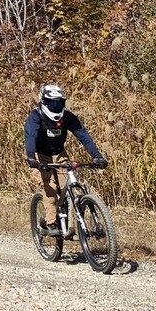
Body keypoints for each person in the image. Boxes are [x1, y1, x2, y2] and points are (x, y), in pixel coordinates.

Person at [24, 83, 107, 233]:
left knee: (69, 188)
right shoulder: (35, 117)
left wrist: (97, 157)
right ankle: (51, 223)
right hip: (39, 156)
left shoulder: (67, 117)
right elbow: (31, 137)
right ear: (44, 102)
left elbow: (83, 136)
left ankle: (73, 226)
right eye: (52, 103)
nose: (56, 107)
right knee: (51, 188)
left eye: (59, 103)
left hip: (59, 154)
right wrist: (31, 158)